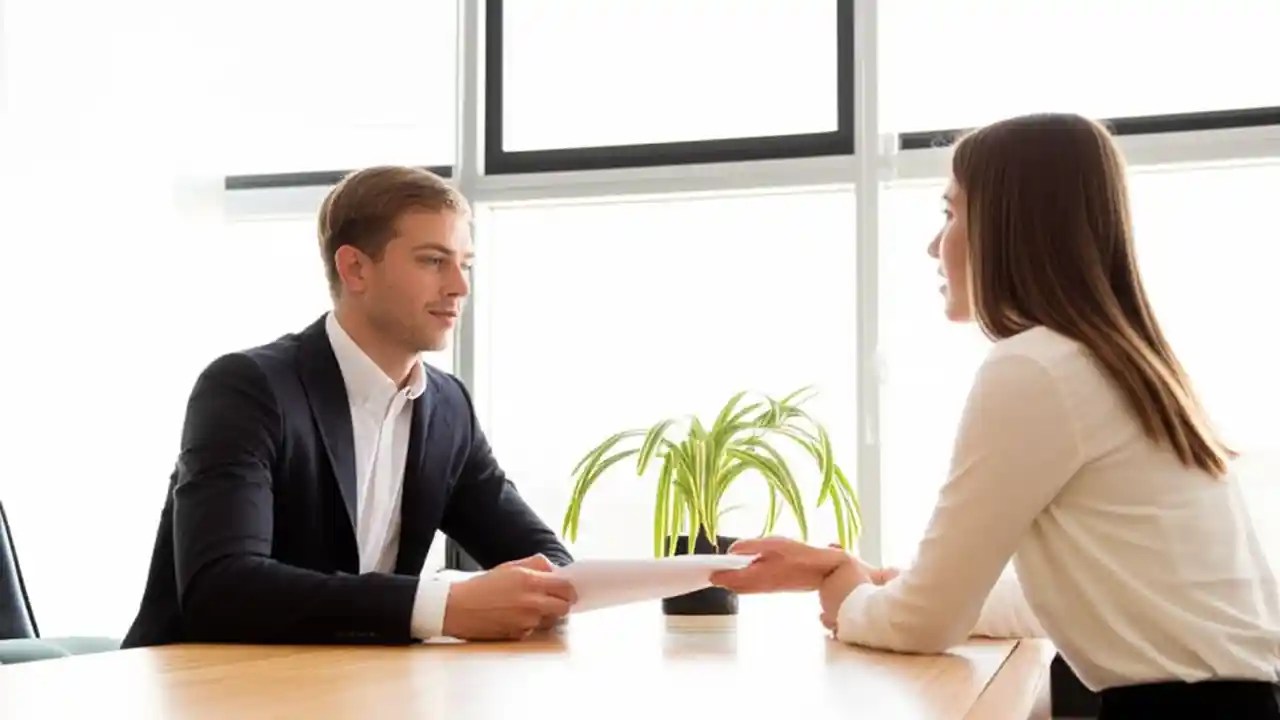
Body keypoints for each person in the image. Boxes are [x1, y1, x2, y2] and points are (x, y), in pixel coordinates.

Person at [711, 113, 1280, 717]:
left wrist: (847, 596)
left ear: (1010, 228)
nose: (934, 245)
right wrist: (876, 581)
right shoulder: (1120, 365)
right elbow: (1052, 601)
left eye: (950, 213)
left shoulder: (1035, 368)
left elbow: (925, 623)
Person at [123, 166, 576, 648]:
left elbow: (543, 557)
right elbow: (222, 589)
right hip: (199, 680)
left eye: (464, 264)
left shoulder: (448, 407)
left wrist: (551, 591)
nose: (459, 287)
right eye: (432, 261)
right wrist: (444, 606)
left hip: (351, 679)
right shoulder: (248, 389)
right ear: (355, 268)